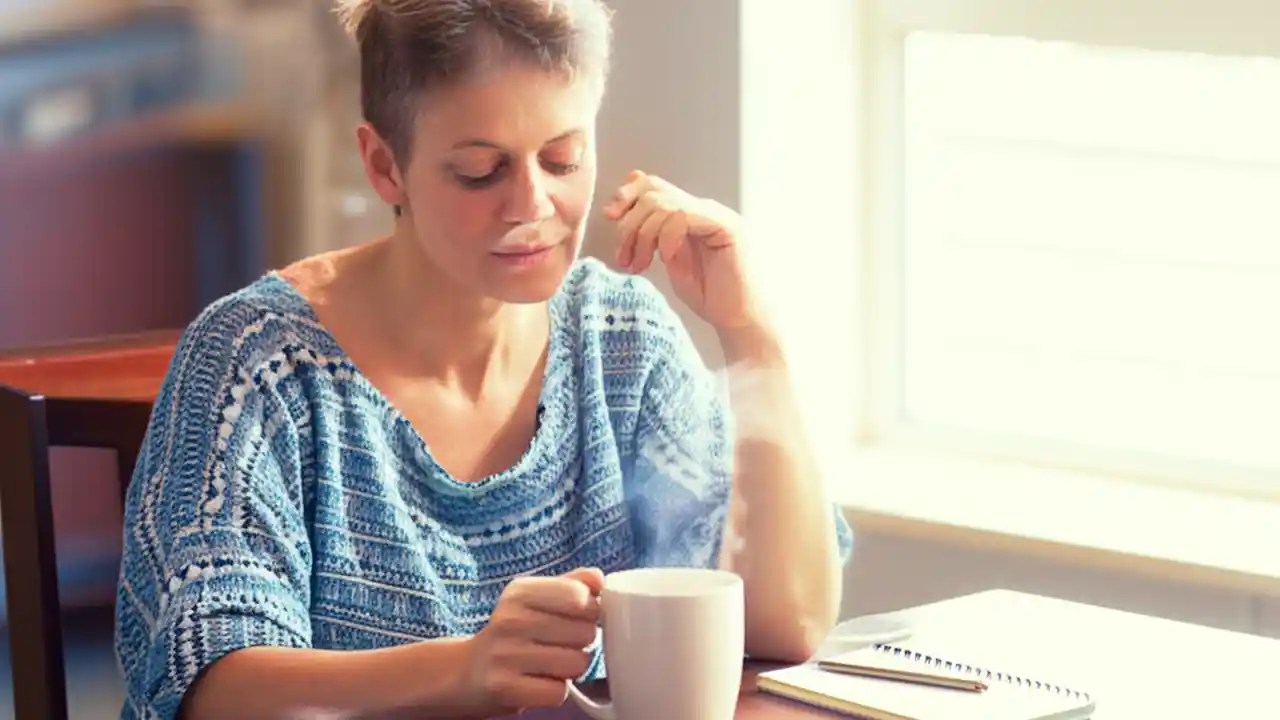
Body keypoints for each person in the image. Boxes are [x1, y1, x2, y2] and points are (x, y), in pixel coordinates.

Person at [114, 1, 853, 718]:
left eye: (563, 159)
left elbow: (783, 623)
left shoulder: (618, 338)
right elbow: (213, 688)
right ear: (384, 166)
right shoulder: (259, 360)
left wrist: (751, 334)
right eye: (479, 171)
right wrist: (465, 669)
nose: (531, 204)